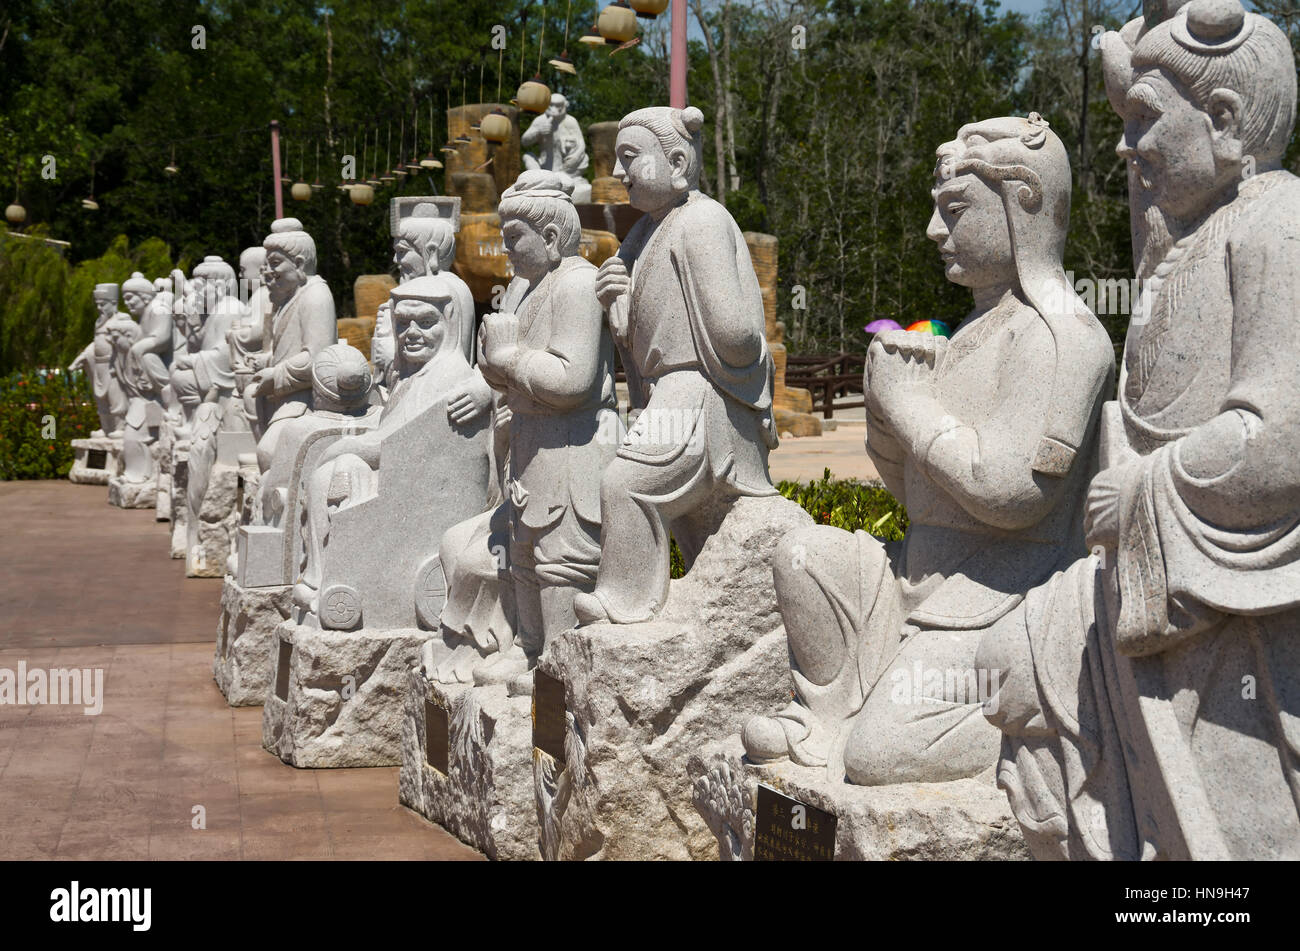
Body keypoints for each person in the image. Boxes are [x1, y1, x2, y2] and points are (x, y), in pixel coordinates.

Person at [980, 0, 1300, 859]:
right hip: (1143, 577)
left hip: (1232, 603)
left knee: (1230, 822)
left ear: (1226, 120)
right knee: (1012, 687)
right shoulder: (1184, 245)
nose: (1126, 149)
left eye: (1145, 123)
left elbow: (1280, 436)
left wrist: (1148, 487)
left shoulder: (1276, 225)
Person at [741, 114, 1115, 784]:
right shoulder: (968, 330)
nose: (933, 232)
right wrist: (886, 407)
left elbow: (1011, 490)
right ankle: (829, 712)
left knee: (881, 753)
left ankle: (1053, 710)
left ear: (1022, 202)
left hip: (998, 601)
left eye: (954, 211)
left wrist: (913, 409)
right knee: (803, 555)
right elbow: (913, 488)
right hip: (918, 578)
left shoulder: (1062, 338)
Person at [571, 105, 779, 627]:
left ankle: (627, 602)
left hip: (698, 392)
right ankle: (684, 608)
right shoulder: (641, 235)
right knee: (694, 526)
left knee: (624, 483)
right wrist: (620, 305)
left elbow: (734, 336)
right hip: (667, 391)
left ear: (679, 162)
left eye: (630, 158)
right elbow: (640, 339)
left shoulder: (702, 220)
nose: (619, 174)